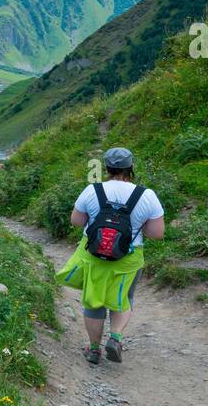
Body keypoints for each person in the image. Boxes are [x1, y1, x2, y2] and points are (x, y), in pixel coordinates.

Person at [55, 147, 165, 365]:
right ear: (131, 167)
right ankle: (115, 338)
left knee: (94, 303)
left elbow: (76, 221)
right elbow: (157, 234)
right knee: (124, 298)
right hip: (129, 258)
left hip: (94, 255)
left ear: (106, 168)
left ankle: (94, 350)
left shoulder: (92, 190)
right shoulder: (146, 195)